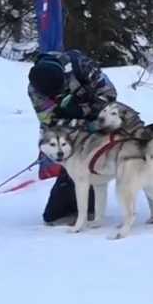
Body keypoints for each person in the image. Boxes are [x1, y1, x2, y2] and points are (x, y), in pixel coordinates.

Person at [28, 50, 117, 225]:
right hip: (69, 132)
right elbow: (49, 121)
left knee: (90, 163)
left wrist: (85, 110)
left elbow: (110, 95)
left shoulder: (80, 65)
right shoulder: (35, 89)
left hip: (100, 119)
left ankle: (87, 204)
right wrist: (70, 117)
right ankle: (74, 203)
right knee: (53, 215)